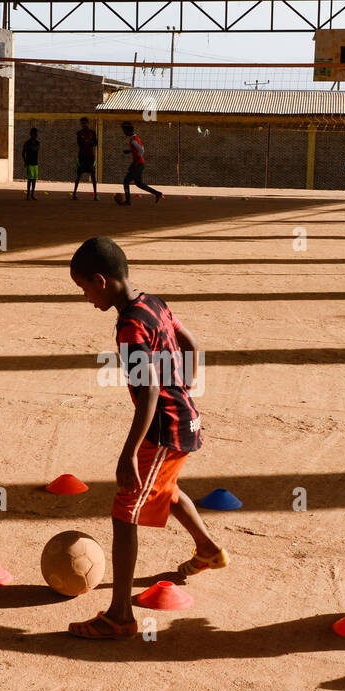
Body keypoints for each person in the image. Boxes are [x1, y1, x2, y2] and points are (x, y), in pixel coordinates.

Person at [65, 236, 226, 639]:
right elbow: (191, 344)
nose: (86, 298)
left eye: (84, 288)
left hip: (163, 427)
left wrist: (129, 453)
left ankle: (120, 616)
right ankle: (207, 549)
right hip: (183, 417)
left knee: (125, 512)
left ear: (101, 281)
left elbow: (150, 391)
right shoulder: (154, 302)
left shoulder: (129, 326)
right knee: (165, 489)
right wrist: (184, 388)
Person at [120, 121, 162, 203]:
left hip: (138, 164)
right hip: (140, 163)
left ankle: (128, 200)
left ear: (128, 131)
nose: (124, 133)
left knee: (126, 180)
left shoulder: (133, 140)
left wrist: (136, 160)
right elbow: (140, 148)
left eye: (124, 131)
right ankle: (157, 193)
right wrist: (130, 151)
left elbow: (141, 150)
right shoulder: (136, 137)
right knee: (139, 184)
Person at [72, 116, 98, 200]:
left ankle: (96, 195)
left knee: (93, 175)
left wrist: (88, 143)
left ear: (88, 123)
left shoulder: (92, 132)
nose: (83, 125)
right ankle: (74, 194)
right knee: (78, 175)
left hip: (90, 157)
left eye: (85, 123)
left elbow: (95, 143)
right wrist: (85, 142)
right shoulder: (79, 133)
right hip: (82, 157)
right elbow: (79, 143)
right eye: (82, 123)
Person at [22, 127, 41, 200]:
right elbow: (23, 153)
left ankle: (32, 194)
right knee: (30, 180)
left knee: (34, 180)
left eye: (36, 133)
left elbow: (34, 150)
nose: (36, 135)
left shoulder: (37, 143)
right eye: (35, 133)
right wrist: (25, 161)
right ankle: (28, 195)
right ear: (31, 134)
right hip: (29, 163)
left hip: (35, 163)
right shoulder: (27, 143)